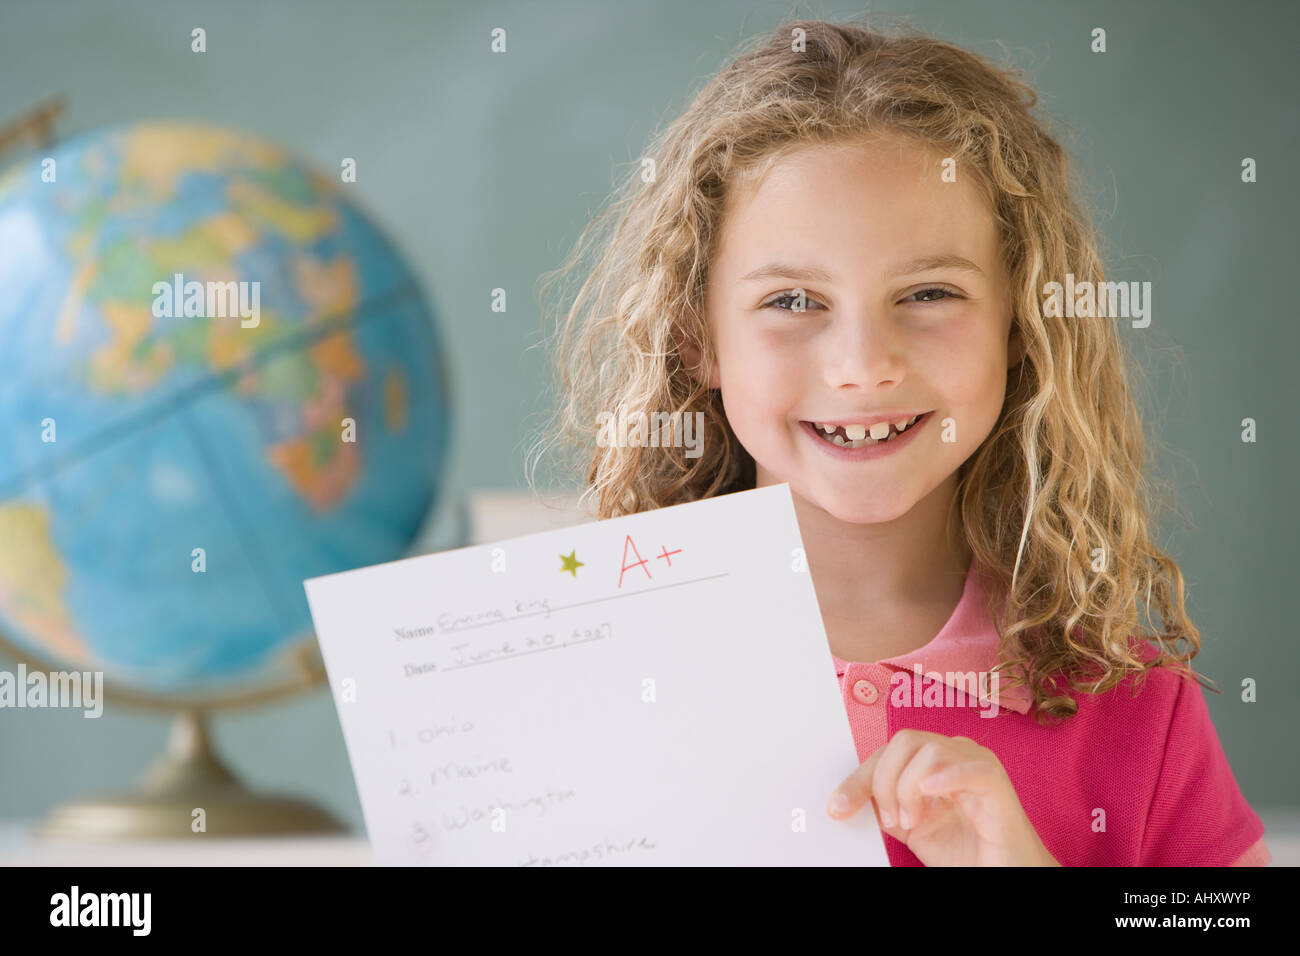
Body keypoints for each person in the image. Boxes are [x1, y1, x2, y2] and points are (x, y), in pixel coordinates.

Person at [528, 16, 1269, 866]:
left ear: (1022, 321)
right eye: (793, 301)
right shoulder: (589, 676)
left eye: (927, 293)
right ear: (697, 334)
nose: (861, 367)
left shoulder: (1132, 702)